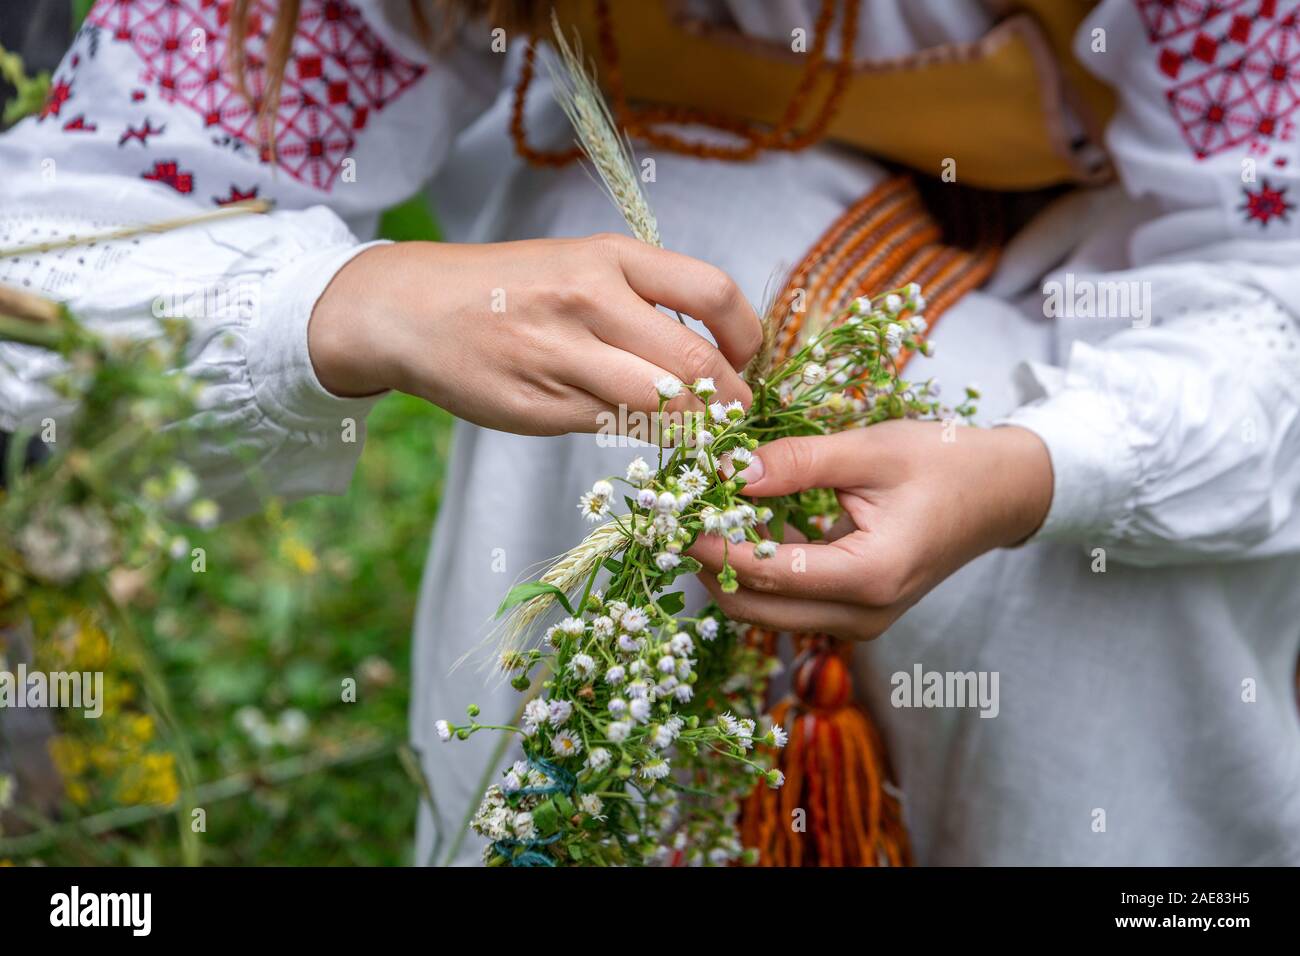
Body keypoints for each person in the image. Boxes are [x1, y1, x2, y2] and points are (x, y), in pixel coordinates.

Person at [1, 0, 1297, 867]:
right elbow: (54, 250)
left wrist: (1045, 471)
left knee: (1107, 578)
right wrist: (350, 302)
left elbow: (1278, 295)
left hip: (1152, 291)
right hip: (665, 214)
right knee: (633, 356)